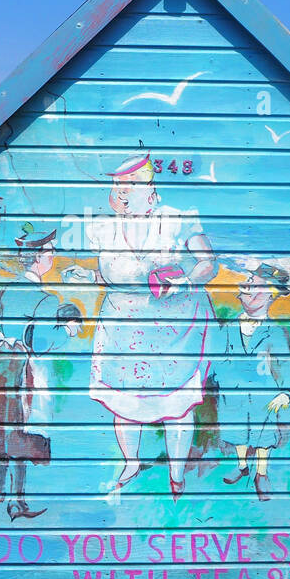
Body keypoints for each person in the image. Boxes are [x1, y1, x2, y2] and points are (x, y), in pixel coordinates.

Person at [88, 154, 217, 500]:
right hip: (121, 329)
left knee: (175, 404)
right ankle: (131, 462)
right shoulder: (103, 227)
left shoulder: (177, 220)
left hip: (172, 329)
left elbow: (209, 264)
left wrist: (187, 281)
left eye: (126, 186)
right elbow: (111, 273)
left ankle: (177, 475)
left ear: (148, 187)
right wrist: (89, 277)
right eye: (117, 187)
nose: (120, 194)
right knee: (124, 402)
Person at [0, 224, 81, 520]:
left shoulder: (10, 290)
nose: (53, 255)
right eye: (50, 251)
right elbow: (43, 341)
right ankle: (17, 501)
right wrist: (69, 331)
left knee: (2, 431)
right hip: (22, 369)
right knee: (20, 436)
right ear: (37, 256)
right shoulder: (45, 298)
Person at [214, 264, 290, 501]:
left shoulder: (274, 331)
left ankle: (261, 474)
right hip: (233, 393)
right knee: (237, 431)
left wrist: (287, 393)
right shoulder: (229, 328)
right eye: (247, 283)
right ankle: (242, 467)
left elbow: (287, 365)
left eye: (255, 285)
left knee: (263, 436)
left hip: (264, 394)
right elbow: (216, 356)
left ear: (269, 295)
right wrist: (220, 378)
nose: (247, 288)